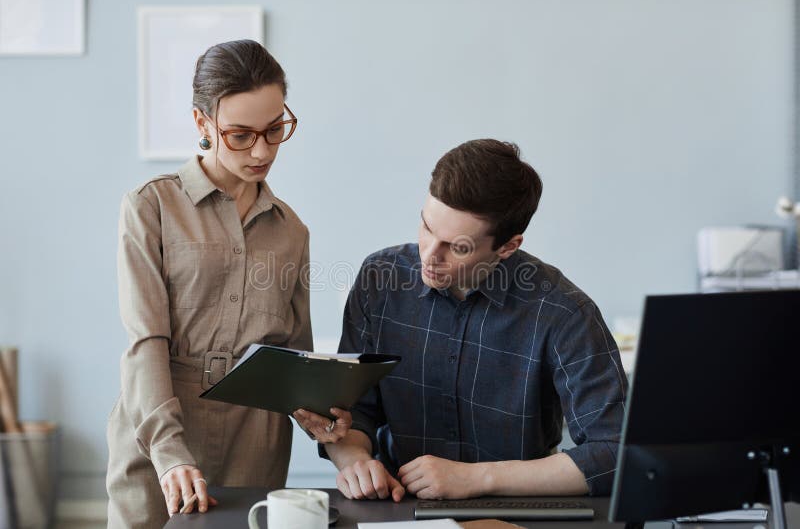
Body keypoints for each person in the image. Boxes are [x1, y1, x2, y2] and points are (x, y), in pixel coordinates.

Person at [106, 40, 351, 528]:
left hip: (255, 439)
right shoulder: (151, 207)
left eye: (275, 129)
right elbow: (145, 341)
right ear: (202, 124)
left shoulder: (291, 230)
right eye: (240, 135)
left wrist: (318, 412)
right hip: (160, 428)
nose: (262, 151)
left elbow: (292, 353)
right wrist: (169, 451)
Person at [323, 139, 628, 501]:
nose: (430, 256)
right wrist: (355, 462)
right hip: (397, 508)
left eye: (458, 247)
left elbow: (616, 452)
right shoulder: (380, 278)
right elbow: (352, 411)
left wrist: (477, 478)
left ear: (508, 246)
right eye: (426, 228)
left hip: (518, 514)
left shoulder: (563, 312)